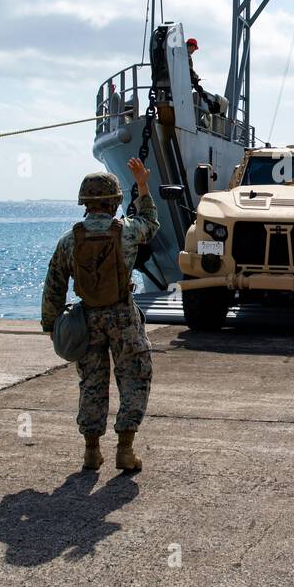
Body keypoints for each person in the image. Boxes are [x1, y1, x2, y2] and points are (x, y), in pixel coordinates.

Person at [40, 158, 159, 473]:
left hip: (87, 319)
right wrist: (143, 184)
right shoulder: (128, 231)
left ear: (85, 202)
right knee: (134, 376)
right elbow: (151, 221)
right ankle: (125, 450)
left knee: (92, 383)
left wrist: (51, 324)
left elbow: (54, 284)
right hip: (122, 317)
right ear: (115, 200)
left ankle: (91, 453)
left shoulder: (70, 239)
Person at [186, 37, 220, 115]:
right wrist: (195, 77)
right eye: (194, 49)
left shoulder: (181, 53)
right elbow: (188, 69)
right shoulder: (186, 56)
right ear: (191, 46)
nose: (194, 51)